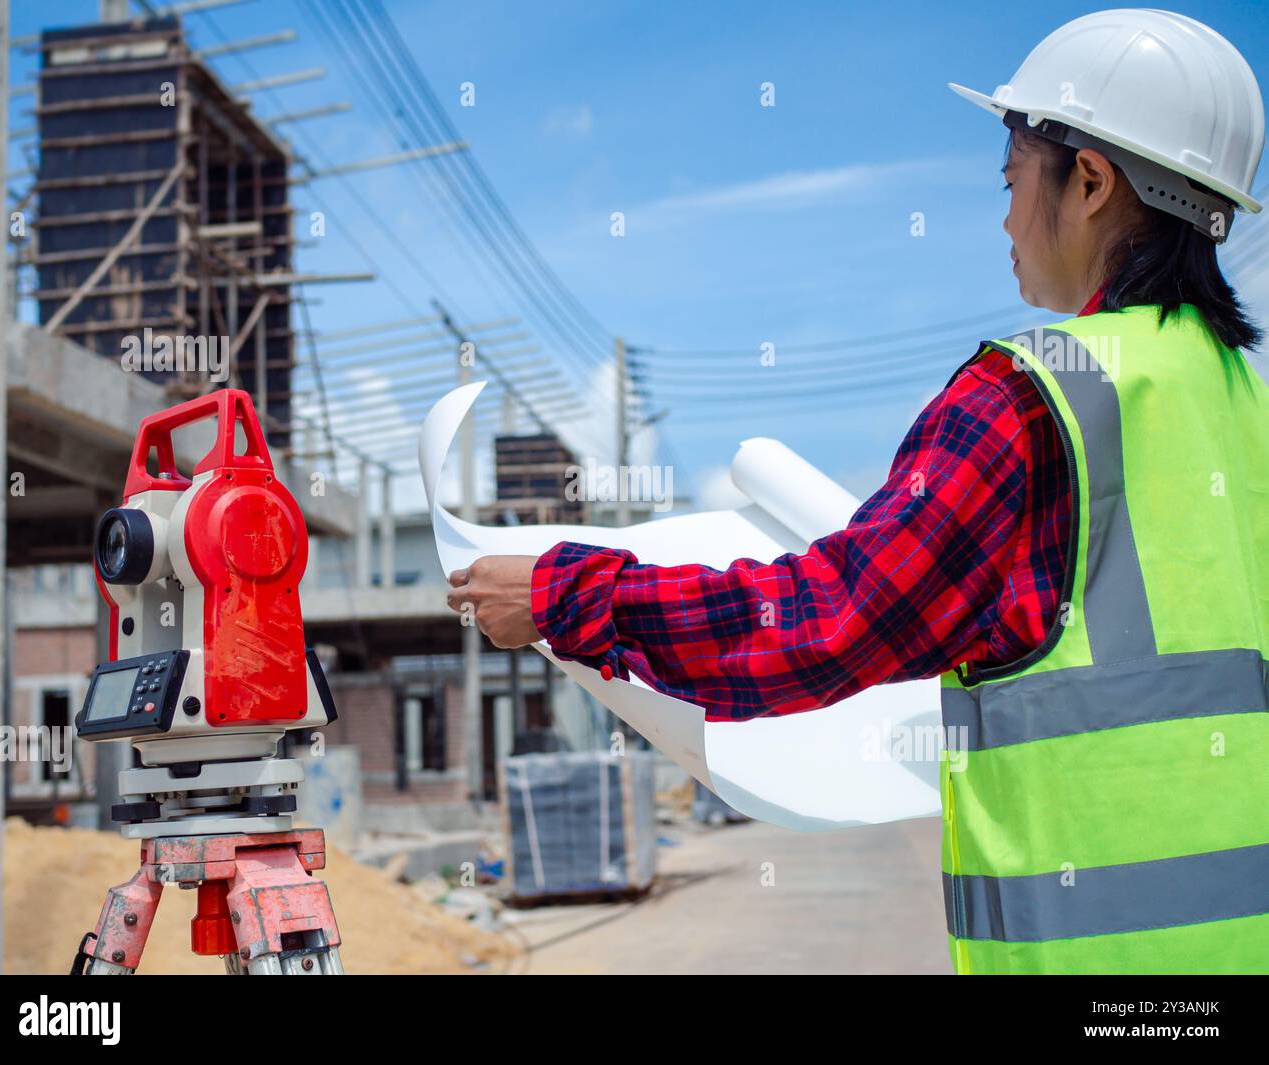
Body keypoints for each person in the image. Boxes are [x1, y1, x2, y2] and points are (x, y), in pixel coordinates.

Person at [446, 9, 1269, 974]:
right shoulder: (1245, 407)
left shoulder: (1032, 397)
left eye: (1011, 180)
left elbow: (821, 623)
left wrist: (562, 592)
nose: (1006, 217)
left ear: (1088, 181)